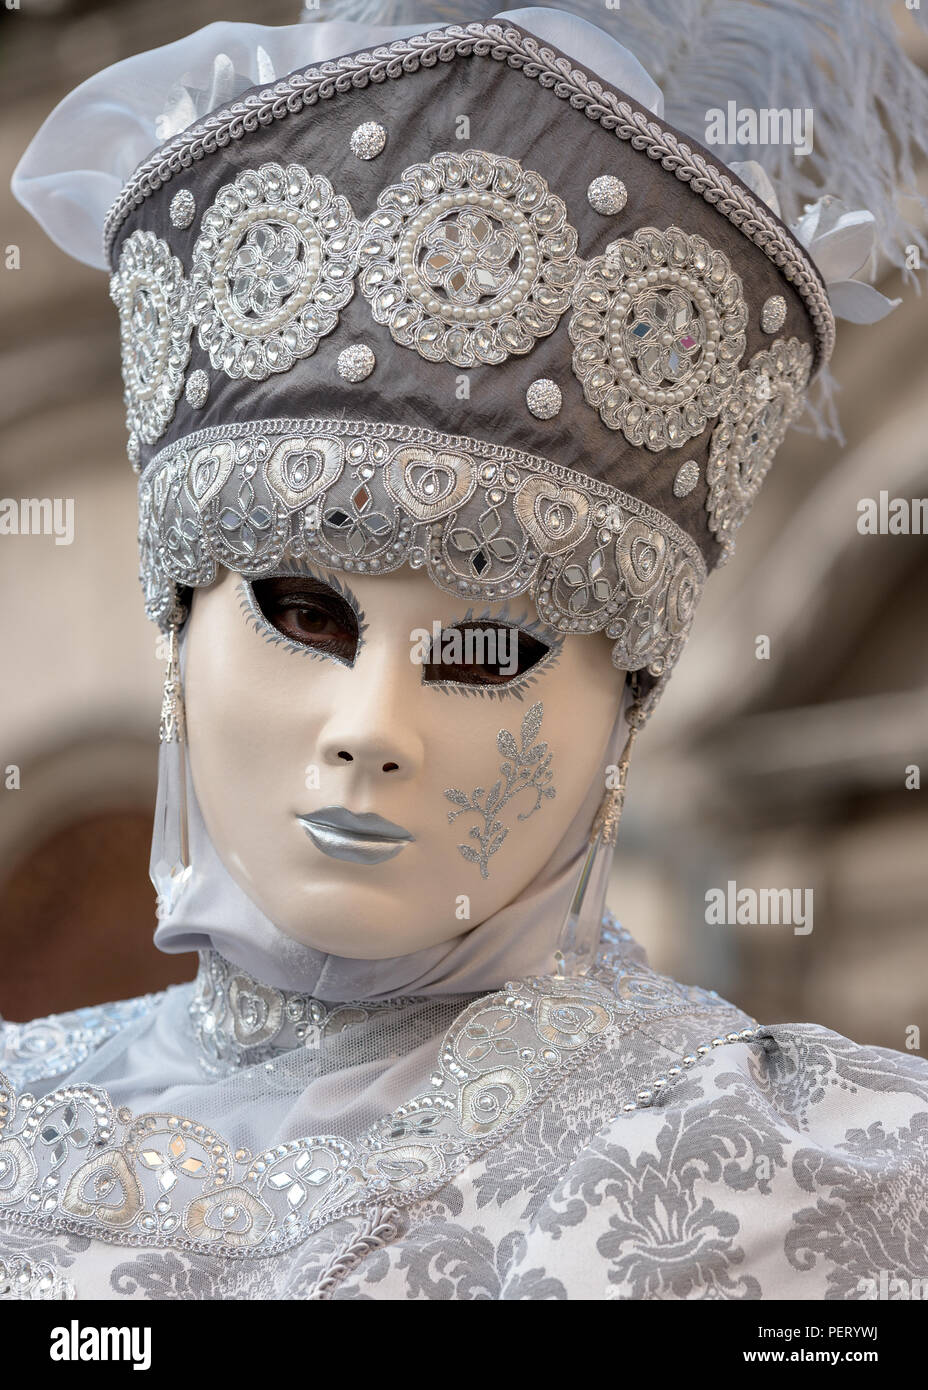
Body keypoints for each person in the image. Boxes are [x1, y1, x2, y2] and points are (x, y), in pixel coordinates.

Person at [1, 4, 925, 1301]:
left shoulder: (841, 1179)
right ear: (181, 631)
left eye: (490, 646)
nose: (373, 724)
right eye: (303, 614)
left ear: (625, 712)